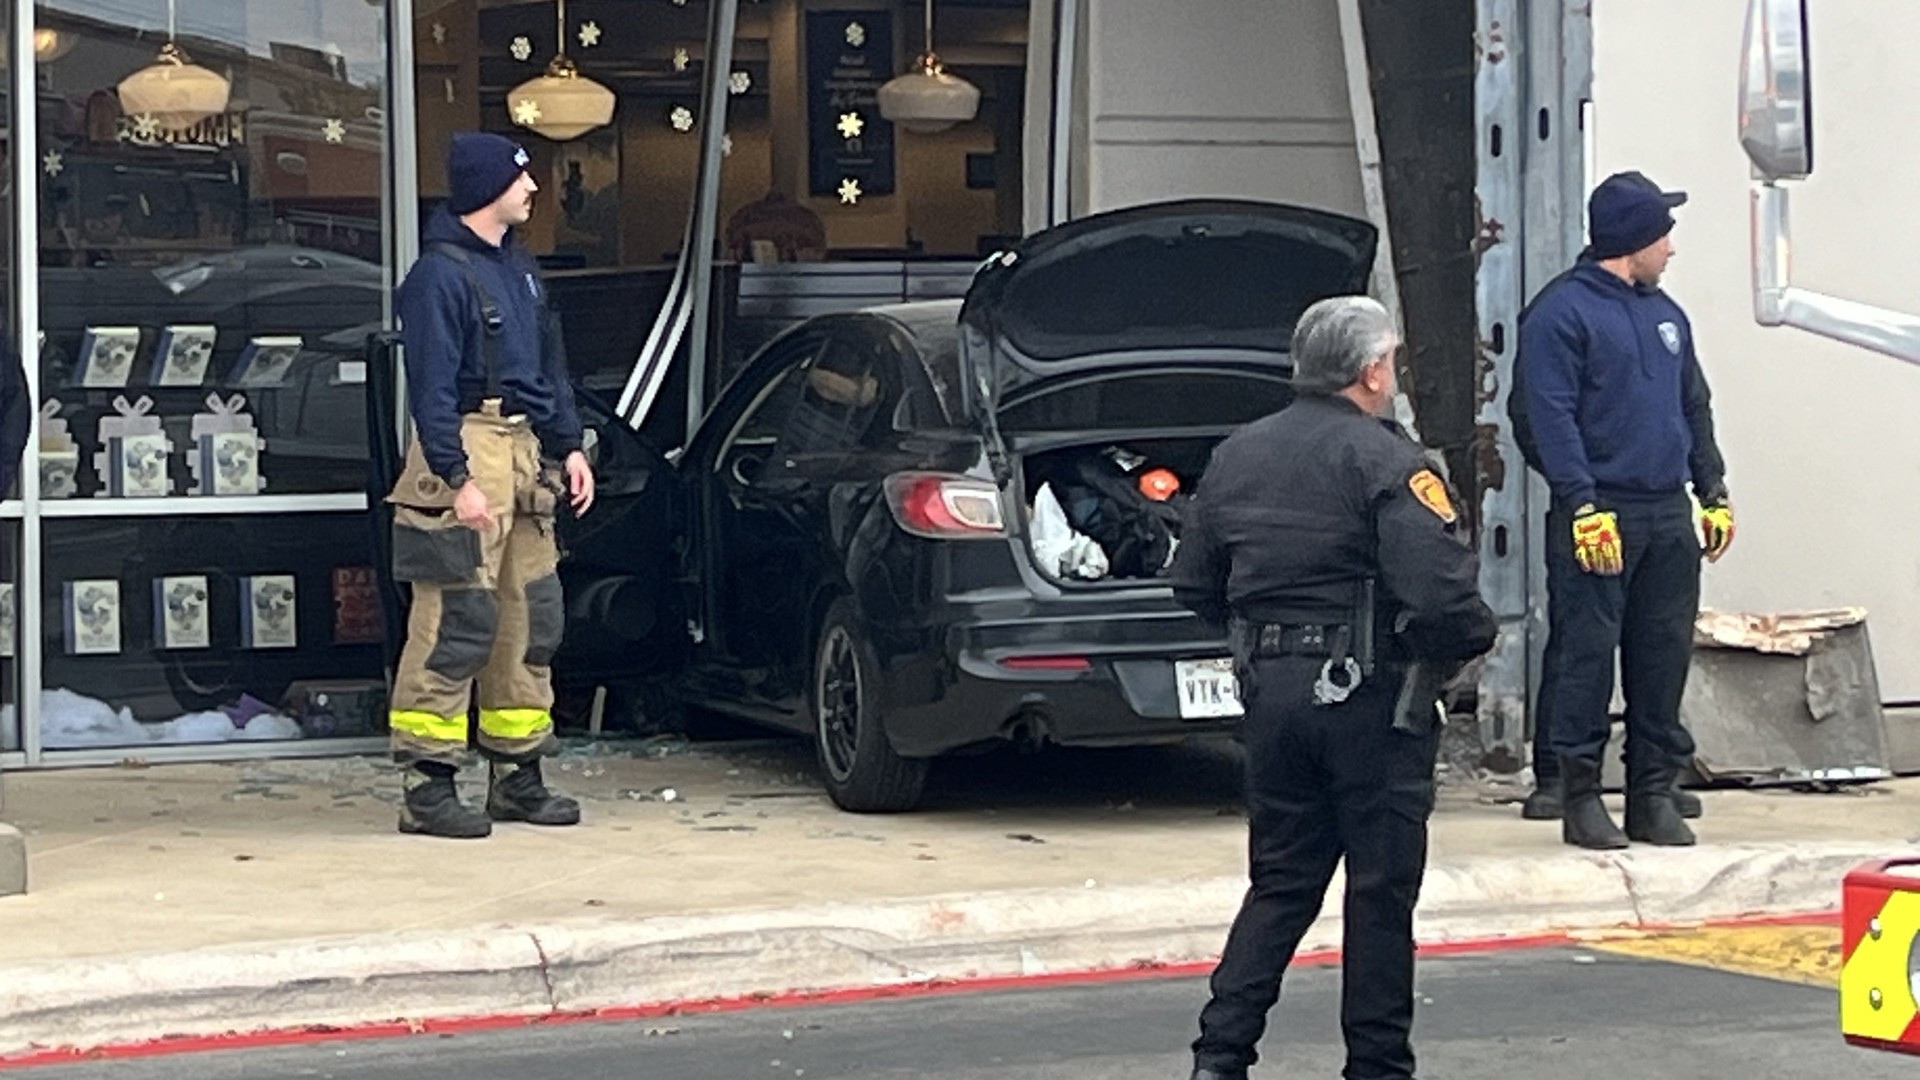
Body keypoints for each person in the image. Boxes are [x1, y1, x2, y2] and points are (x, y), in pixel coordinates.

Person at [1170, 296, 1498, 1080]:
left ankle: (1220, 1054)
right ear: (1372, 371)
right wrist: (1445, 656)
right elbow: (1446, 600)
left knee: (1281, 882)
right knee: (1379, 895)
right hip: (1370, 701)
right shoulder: (1389, 462)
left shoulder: (1238, 453)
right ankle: (1377, 1067)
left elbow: (1194, 581)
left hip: (1272, 695)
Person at [385, 132, 596, 839]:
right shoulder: (436, 278)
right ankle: (428, 784)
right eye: (520, 176)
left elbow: (550, 368)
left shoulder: (520, 268)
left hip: (524, 449)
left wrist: (568, 448)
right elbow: (432, 389)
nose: (534, 186)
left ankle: (518, 776)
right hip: (470, 446)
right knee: (455, 619)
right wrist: (454, 478)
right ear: (485, 189)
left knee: (528, 617)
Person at [1516, 170, 1732, 851]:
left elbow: (1692, 406)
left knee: (1662, 653)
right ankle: (1577, 792)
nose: (1671, 248)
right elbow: (1547, 417)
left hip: (1666, 512)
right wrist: (1580, 501)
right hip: (1601, 513)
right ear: (1633, 237)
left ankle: (1651, 793)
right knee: (1588, 654)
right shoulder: (1562, 313)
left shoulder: (1666, 314)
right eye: (1663, 234)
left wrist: (1714, 490)